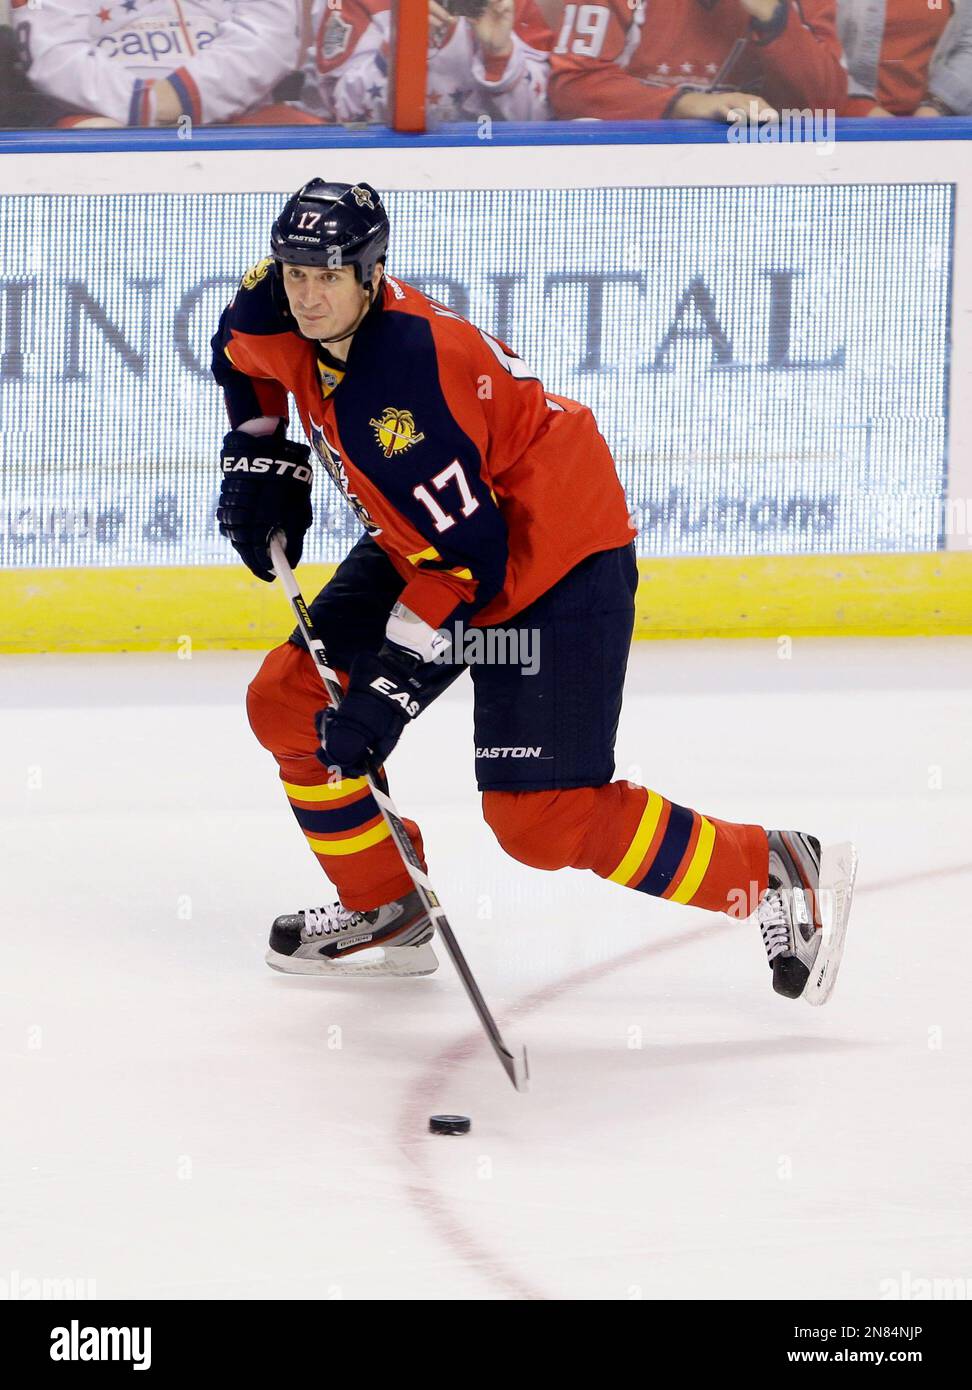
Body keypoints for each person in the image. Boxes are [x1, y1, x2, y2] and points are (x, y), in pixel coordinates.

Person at [212, 178, 846, 1003]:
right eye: (296, 272)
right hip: (435, 543)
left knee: (541, 821)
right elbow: (241, 358)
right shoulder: (273, 303)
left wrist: (385, 694)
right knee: (289, 701)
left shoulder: (403, 390)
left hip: (554, 563)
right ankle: (386, 906)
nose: (307, 294)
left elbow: (471, 566)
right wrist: (263, 454)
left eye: (328, 276)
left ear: (371, 273)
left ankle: (771, 871)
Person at [16, 0, 309, 128]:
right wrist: (144, 103)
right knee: (94, 138)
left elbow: (271, 36)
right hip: (108, 112)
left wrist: (185, 96)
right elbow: (54, 54)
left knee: (305, 137)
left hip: (237, 106)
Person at [549, 0, 847, 123]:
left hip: (760, 181)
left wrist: (774, 19)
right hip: (633, 176)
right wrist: (685, 104)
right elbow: (570, 89)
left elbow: (829, 109)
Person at [300, 0, 552, 125]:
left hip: (487, 167)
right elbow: (348, 120)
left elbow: (539, 122)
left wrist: (499, 55)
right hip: (377, 167)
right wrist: (401, 45)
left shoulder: (505, 4)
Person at [837, 0, 972, 117]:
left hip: (937, 125)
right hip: (841, 123)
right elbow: (818, 45)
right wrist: (862, 108)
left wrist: (936, 106)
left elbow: (967, 40)